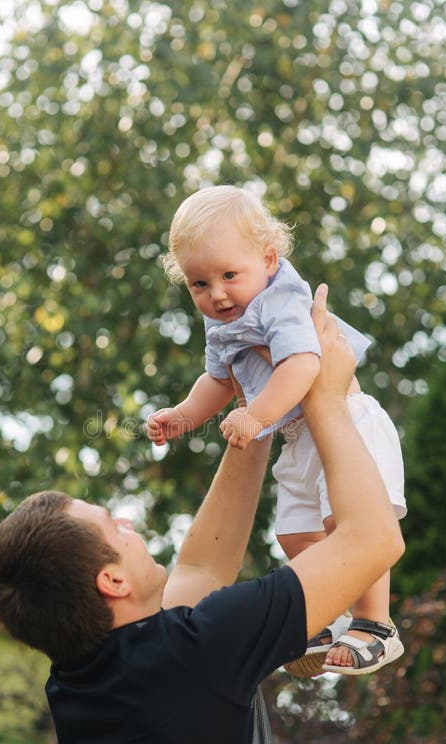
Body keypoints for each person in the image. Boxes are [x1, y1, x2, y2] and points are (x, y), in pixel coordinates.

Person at [0, 287, 404, 744]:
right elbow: (375, 538)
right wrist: (327, 400)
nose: (128, 521)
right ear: (112, 582)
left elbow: (202, 567)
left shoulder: (81, 686)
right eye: (113, 526)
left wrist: (256, 406)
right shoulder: (198, 652)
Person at [147, 185, 406, 677]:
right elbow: (217, 381)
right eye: (198, 283)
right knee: (294, 533)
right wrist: (180, 417)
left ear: (267, 260)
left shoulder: (279, 297)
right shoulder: (223, 320)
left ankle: (376, 624)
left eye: (228, 275)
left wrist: (257, 416)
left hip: (345, 420)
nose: (216, 293)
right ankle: (326, 615)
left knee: (345, 526)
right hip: (298, 435)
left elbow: (303, 364)